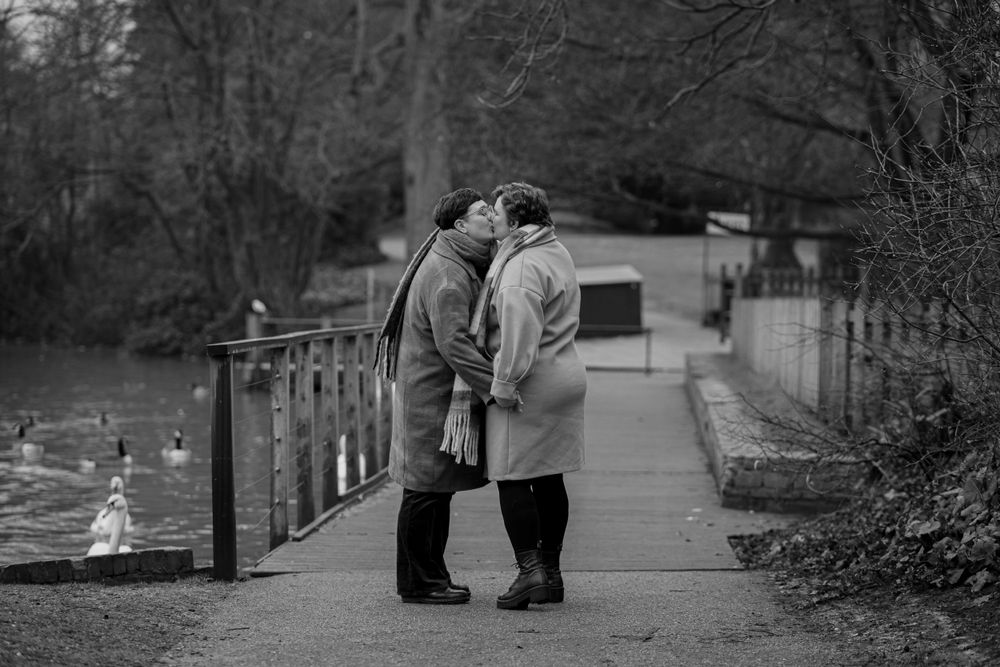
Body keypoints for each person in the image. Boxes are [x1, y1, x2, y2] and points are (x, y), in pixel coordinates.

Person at [374, 187, 497, 605]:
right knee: (425, 493)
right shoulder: (449, 275)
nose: (491, 216)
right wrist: (495, 388)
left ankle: (430, 577)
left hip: (425, 390)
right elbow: (455, 344)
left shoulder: (454, 258)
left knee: (431, 492)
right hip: (431, 394)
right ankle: (419, 584)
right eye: (483, 212)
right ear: (461, 225)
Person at [479, 181, 587, 610]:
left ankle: (529, 575)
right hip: (565, 374)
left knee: (511, 474)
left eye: (497, 212)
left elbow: (519, 338)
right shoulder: (556, 250)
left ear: (517, 221)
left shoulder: (520, 269)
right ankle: (552, 575)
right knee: (548, 477)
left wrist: (503, 384)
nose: (491, 217)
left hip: (530, 384)